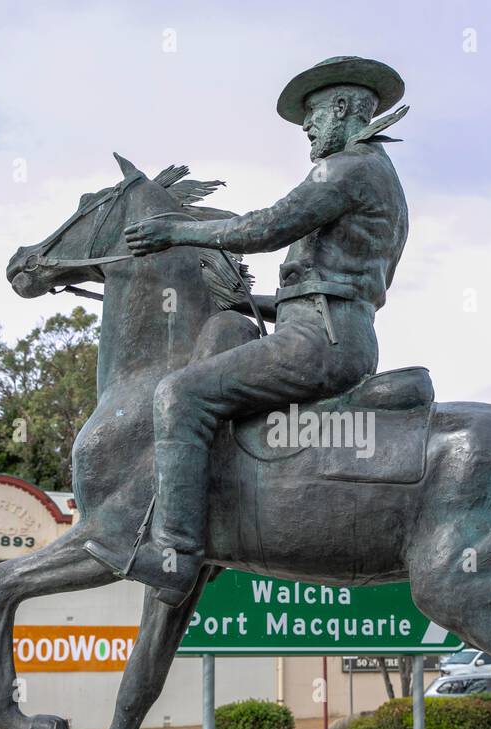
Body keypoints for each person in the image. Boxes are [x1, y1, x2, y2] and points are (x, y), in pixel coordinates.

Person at [84, 56, 410, 605]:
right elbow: (333, 289)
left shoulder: (347, 169)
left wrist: (178, 232)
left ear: (346, 109)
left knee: (180, 393)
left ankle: (175, 552)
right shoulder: (380, 178)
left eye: (313, 115)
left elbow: (264, 227)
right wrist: (251, 301)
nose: (307, 127)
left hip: (318, 343)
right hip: (337, 331)